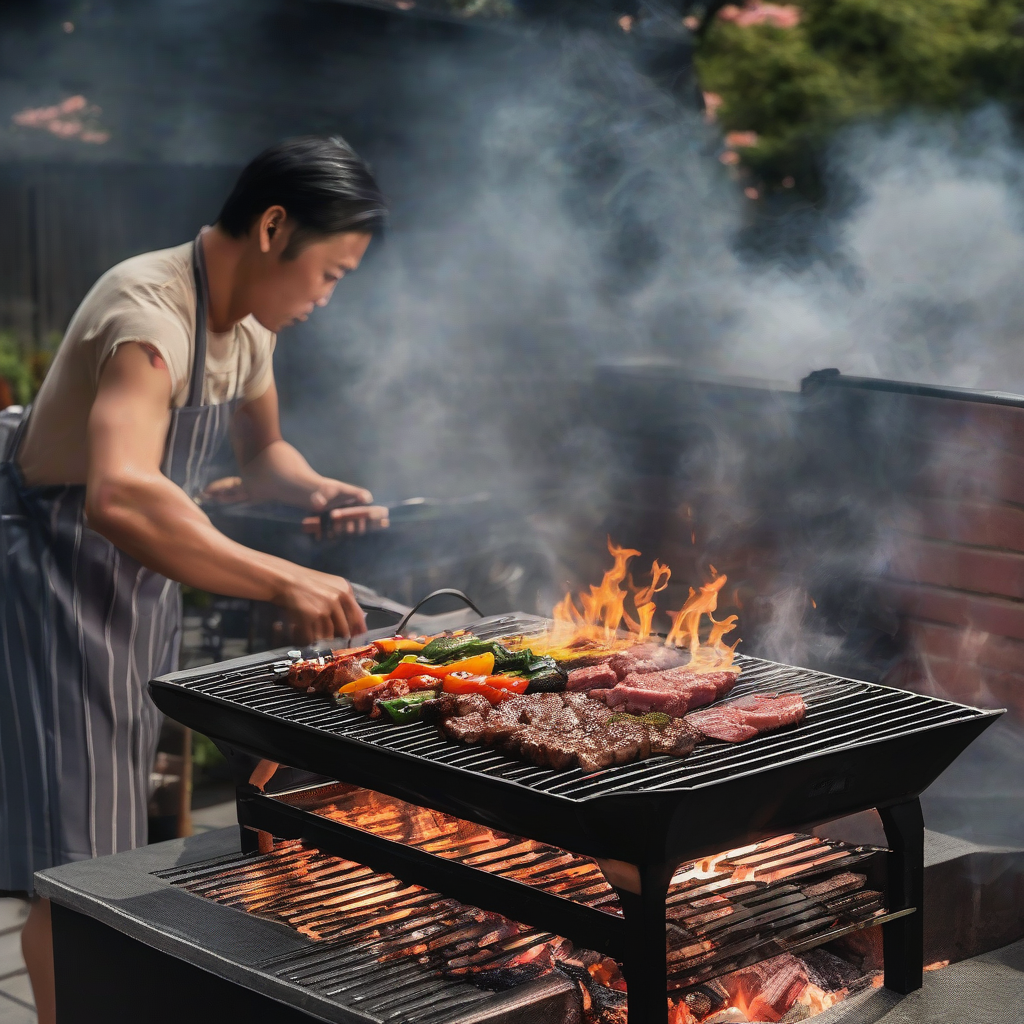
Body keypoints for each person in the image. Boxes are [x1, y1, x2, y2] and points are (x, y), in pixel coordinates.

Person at [0, 135, 389, 1022]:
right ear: (274, 228)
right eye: (329, 274)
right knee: (73, 865)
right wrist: (283, 578)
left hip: (135, 576)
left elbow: (263, 456)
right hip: (57, 563)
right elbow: (121, 494)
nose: (326, 298)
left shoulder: (247, 325)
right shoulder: (150, 313)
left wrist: (315, 488)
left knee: (108, 830)